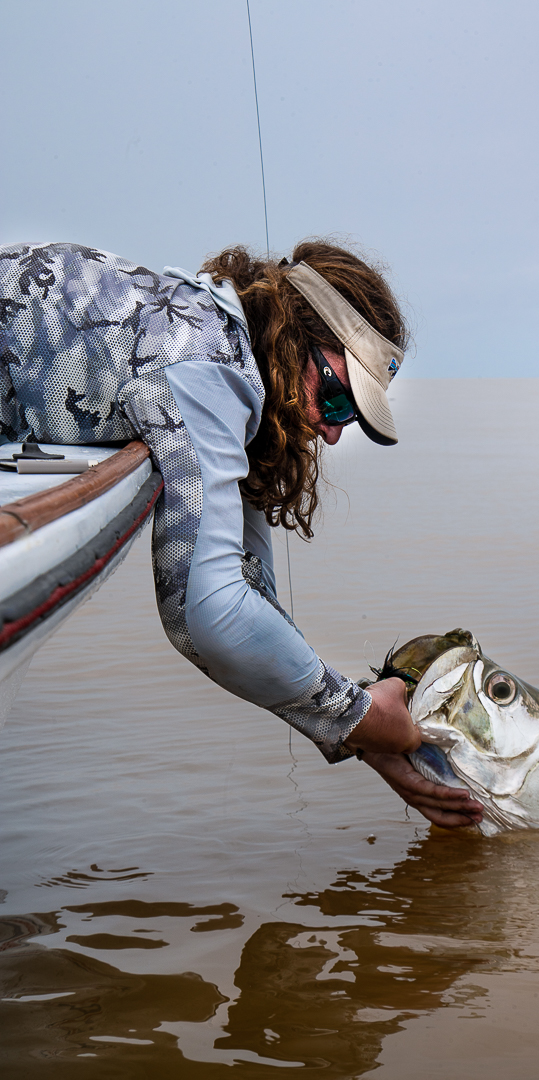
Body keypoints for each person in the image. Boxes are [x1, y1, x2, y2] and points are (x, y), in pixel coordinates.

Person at [0, 239, 481, 828]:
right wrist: (362, 717)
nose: (331, 434)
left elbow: (252, 601)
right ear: (295, 337)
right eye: (334, 399)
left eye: (349, 417)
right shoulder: (204, 364)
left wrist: (364, 739)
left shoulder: (230, 362)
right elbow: (207, 614)